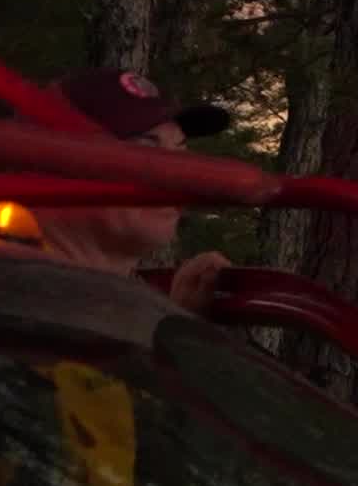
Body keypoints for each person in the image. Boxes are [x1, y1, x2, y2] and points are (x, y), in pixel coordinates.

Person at [42, 68, 234, 314]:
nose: (178, 172)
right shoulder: (1, 303)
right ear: (54, 161)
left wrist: (176, 318)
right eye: (146, 149)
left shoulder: (93, 308)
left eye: (180, 151)